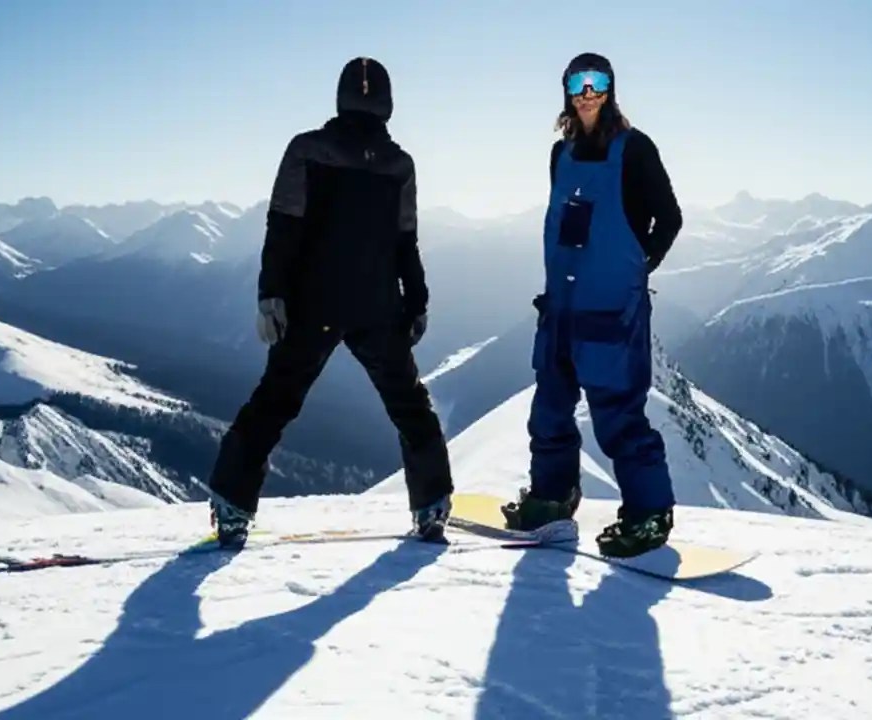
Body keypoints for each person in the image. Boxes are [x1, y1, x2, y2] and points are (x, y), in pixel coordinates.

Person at [204, 57, 453, 547]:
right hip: (378, 303)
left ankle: (232, 504)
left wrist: (270, 295)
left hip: (312, 303)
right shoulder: (399, 165)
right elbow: (406, 240)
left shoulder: (306, 150)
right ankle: (432, 505)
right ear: (388, 104)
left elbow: (282, 226)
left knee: (276, 399)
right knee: (409, 405)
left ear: (341, 98)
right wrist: (417, 300)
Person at [500, 53, 683, 558]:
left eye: (596, 81)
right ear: (566, 90)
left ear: (610, 89)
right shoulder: (561, 154)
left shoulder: (635, 149)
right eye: (578, 82)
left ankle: (649, 514)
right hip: (560, 306)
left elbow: (669, 218)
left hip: (610, 309)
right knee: (549, 409)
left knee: (619, 415)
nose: (587, 91)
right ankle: (553, 496)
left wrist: (638, 266)